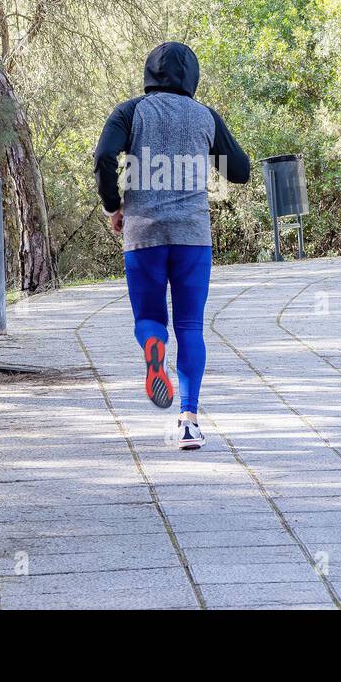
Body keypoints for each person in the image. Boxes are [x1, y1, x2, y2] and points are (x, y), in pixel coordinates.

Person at [93, 42, 250, 449]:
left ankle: (153, 349)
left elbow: (103, 157)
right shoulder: (205, 116)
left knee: (150, 318)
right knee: (191, 326)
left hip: (143, 235)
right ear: (192, 77)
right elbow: (241, 172)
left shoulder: (130, 112)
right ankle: (188, 420)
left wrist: (115, 205)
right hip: (192, 238)